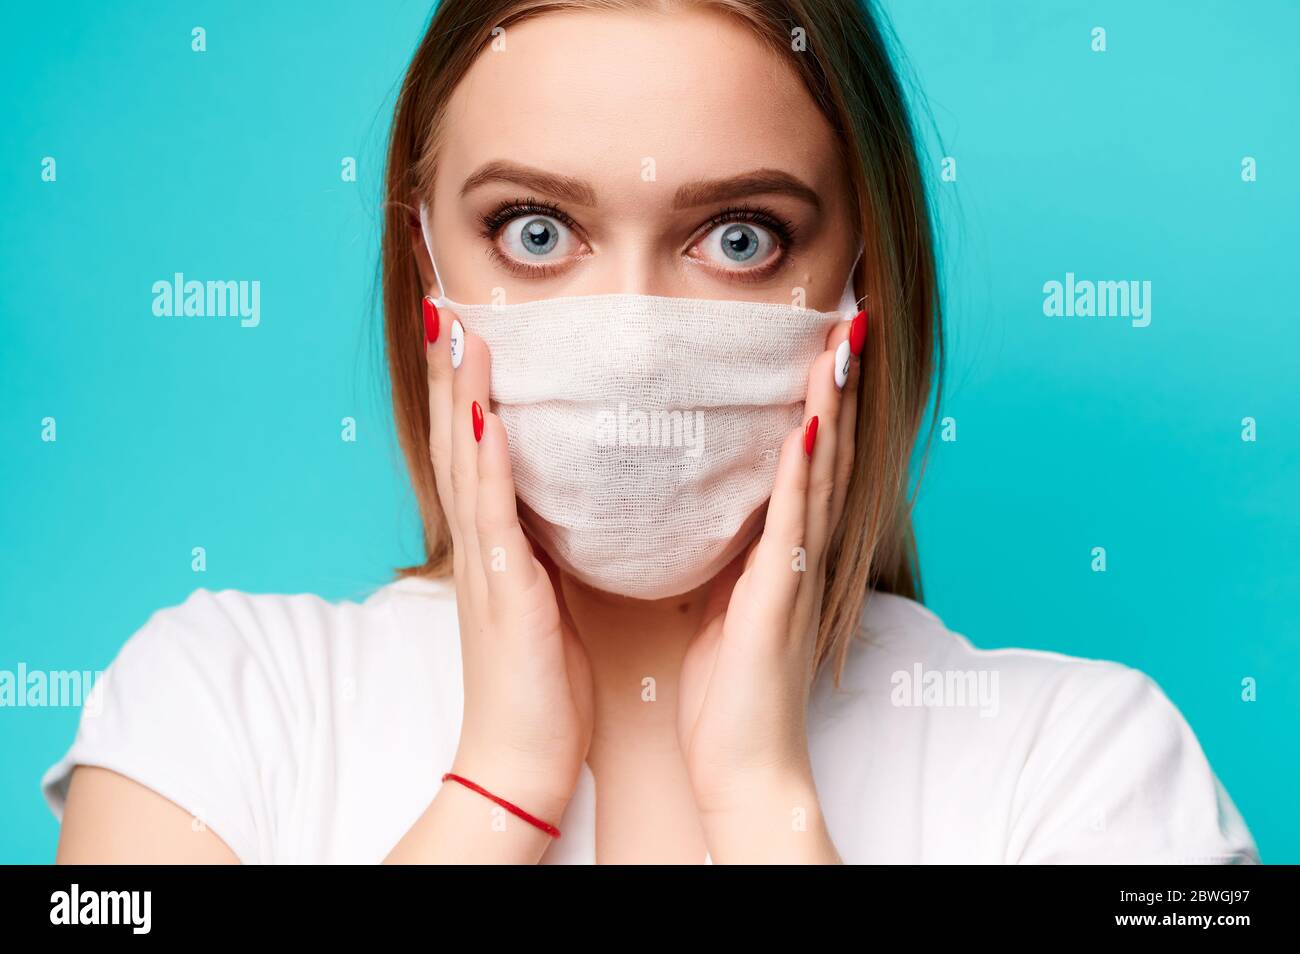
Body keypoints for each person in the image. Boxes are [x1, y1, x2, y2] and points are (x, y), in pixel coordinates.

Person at [44, 0, 1258, 864]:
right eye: (533, 231)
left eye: (739, 236)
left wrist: (765, 810)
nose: (629, 344)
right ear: (421, 263)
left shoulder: (1096, 768)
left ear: (860, 288)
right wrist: (495, 791)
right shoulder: (211, 710)